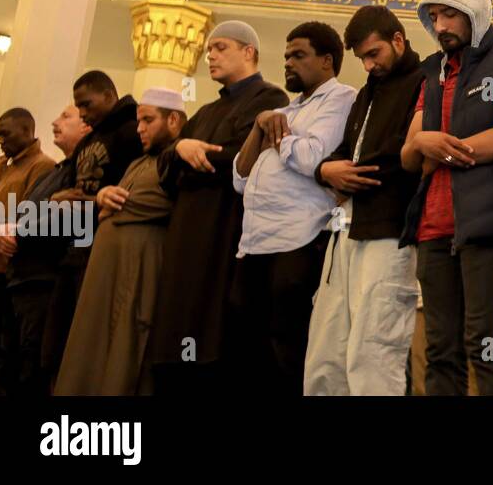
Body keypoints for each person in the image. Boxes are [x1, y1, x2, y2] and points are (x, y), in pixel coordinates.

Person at [148, 21, 288, 395]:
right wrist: (180, 149)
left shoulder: (270, 100)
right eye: (209, 49)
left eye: (220, 47)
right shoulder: (207, 111)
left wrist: (198, 155)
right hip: (186, 239)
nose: (209, 55)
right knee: (177, 339)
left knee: (217, 339)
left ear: (249, 52)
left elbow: (252, 160)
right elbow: (165, 164)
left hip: (226, 232)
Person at [400, 0, 493, 396]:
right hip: (431, 230)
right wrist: (426, 144)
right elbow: (409, 153)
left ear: (473, 10)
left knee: (485, 346)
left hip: (484, 227)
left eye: (449, 13)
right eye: (433, 16)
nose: (440, 25)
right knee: (440, 351)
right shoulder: (431, 71)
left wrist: (441, 148)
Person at [304, 6, 425, 396]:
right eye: (362, 59)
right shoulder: (365, 95)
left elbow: (404, 152)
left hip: (390, 230)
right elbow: (343, 150)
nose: (369, 65)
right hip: (345, 230)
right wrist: (326, 170)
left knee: (373, 349)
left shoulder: (425, 81)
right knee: (327, 348)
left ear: (398, 41)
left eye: (374, 54)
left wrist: (350, 172)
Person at [231, 22, 356, 395]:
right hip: (254, 243)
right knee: (249, 347)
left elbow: (312, 156)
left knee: (288, 344)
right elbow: (240, 178)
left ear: (326, 61)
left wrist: (279, 138)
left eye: (298, 55)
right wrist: (258, 128)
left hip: (300, 240)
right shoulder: (284, 110)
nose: (288, 62)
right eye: (286, 56)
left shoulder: (341, 98)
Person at [55, 89, 186, 395]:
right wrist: (101, 196)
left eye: (148, 120)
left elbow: (143, 203)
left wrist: (106, 204)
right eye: (138, 120)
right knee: (90, 345)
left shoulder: (177, 159)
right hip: (105, 274)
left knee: (122, 350)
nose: (139, 128)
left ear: (174, 120)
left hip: (137, 269)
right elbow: (110, 205)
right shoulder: (138, 162)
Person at [46, 71, 143, 387]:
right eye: (78, 107)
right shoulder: (89, 140)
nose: (83, 113)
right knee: (56, 345)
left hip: (104, 247)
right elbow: (74, 187)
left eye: (86, 104)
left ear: (108, 95)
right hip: (74, 249)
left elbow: (129, 194)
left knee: (91, 338)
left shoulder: (130, 133)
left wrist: (82, 199)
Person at [4, 106, 90, 394]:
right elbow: (22, 214)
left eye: (66, 117)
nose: (54, 121)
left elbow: (72, 219)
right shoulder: (56, 172)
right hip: (20, 280)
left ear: (87, 125)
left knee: (33, 371)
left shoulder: (79, 170)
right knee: (10, 367)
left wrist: (19, 231)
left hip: (44, 283)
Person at [0, 110, 56, 395]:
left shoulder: (42, 166)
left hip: (9, 270)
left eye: (7, 133)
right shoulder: (4, 167)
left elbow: (26, 217)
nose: (1, 140)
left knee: (5, 348)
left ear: (28, 130)